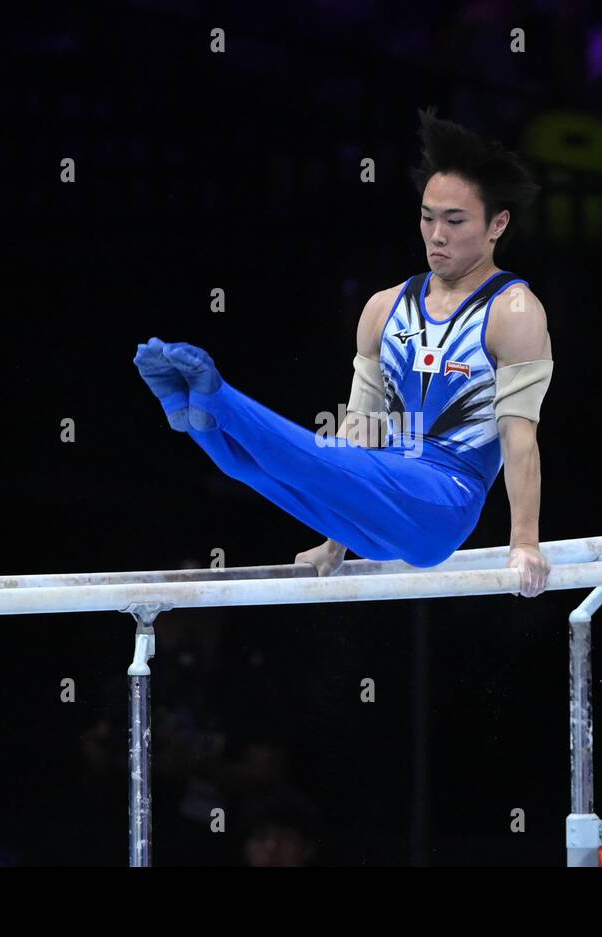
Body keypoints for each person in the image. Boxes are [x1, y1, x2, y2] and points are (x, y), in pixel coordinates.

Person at [134, 108, 553, 597]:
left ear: (497, 224)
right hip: (375, 501)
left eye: (455, 220)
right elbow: (359, 430)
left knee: (302, 459)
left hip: (441, 503)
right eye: (427, 217)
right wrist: (334, 543)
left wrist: (524, 542)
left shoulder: (515, 311)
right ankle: (199, 419)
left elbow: (519, 436)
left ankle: (217, 398)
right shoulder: (383, 308)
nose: (436, 235)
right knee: (263, 471)